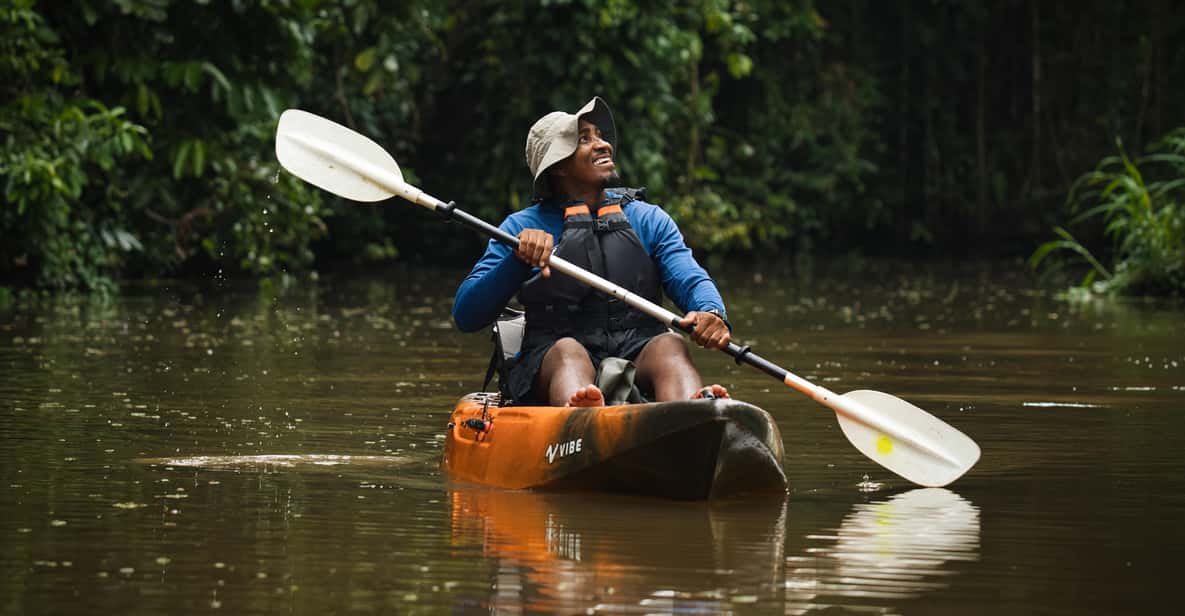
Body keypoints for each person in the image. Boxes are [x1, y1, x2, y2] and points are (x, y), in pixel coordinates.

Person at [452, 96, 732, 407]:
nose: (603, 144)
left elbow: (689, 277)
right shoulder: (521, 227)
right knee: (568, 352)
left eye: (600, 135)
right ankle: (583, 415)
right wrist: (516, 261)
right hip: (554, 354)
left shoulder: (648, 219)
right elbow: (467, 315)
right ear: (558, 166)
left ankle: (690, 414)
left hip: (639, 347)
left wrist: (710, 312)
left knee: (670, 345)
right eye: (584, 139)